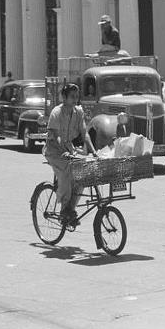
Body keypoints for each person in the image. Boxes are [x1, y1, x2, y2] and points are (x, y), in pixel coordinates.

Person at [44, 83, 94, 226]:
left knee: (82, 173)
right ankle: (64, 209)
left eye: (77, 96)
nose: (75, 99)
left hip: (69, 150)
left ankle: (70, 210)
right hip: (54, 151)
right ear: (64, 98)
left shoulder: (78, 112)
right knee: (67, 170)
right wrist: (63, 150)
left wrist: (94, 151)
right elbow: (57, 136)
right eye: (72, 96)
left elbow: (84, 133)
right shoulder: (56, 113)